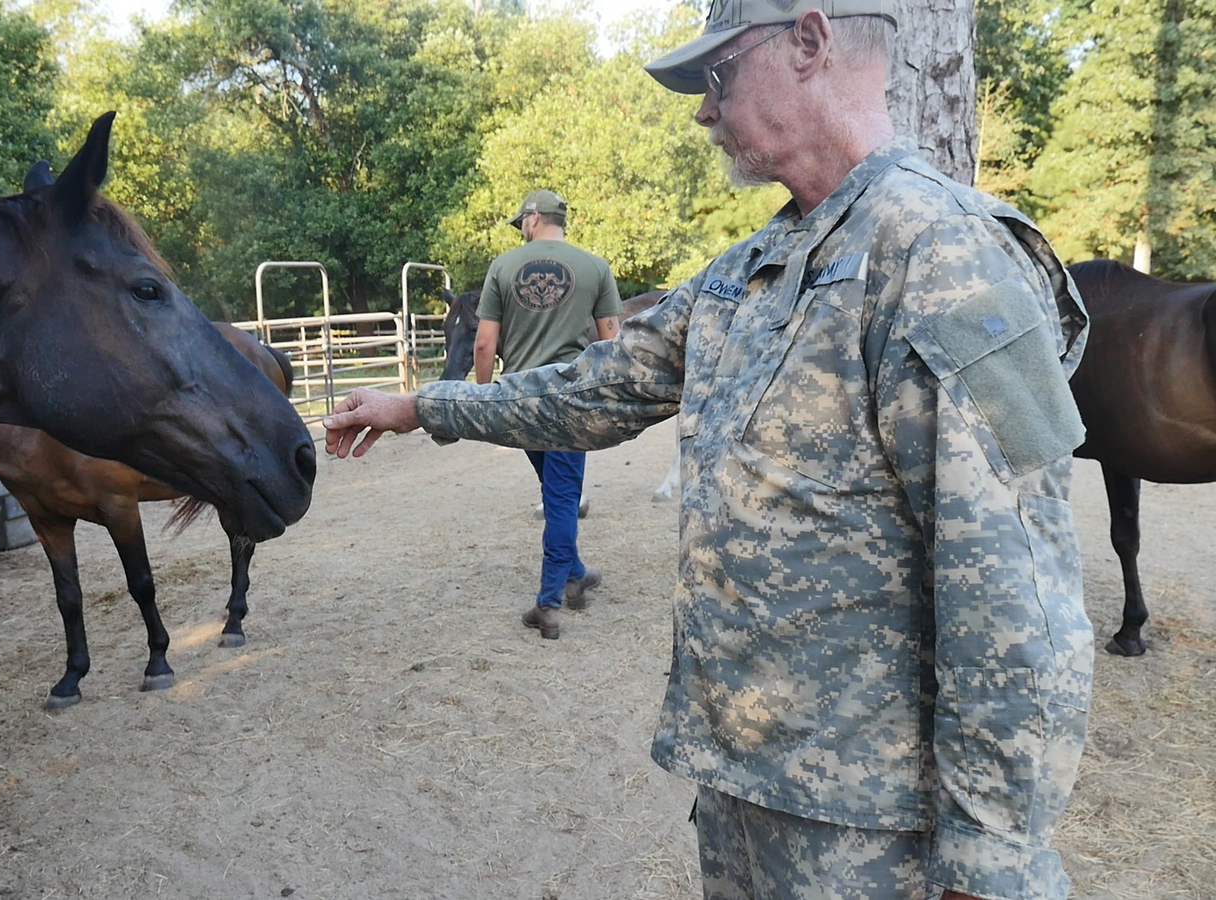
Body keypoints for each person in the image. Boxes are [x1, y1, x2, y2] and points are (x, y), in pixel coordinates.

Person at [321, 1, 1092, 898]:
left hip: (877, 830)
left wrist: (990, 860)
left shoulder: (944, 251)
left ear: (809, 42)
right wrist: (421, 404)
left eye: (717, 77)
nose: (702, 110)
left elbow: (1015, 590)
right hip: (747, 786)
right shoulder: (757, 264)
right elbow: (597, 385)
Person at [476, 189, 622, 640]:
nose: (521, 226)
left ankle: (567, 582)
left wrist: (484, 401)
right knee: (561, 494)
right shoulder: (595, 268)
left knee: (555, 489)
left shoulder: (502, 267)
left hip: (520, 401)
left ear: (534, 217)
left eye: (522, 219)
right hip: (570, 399)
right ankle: (552, 600)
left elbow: (484, 344)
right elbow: (612, 344)